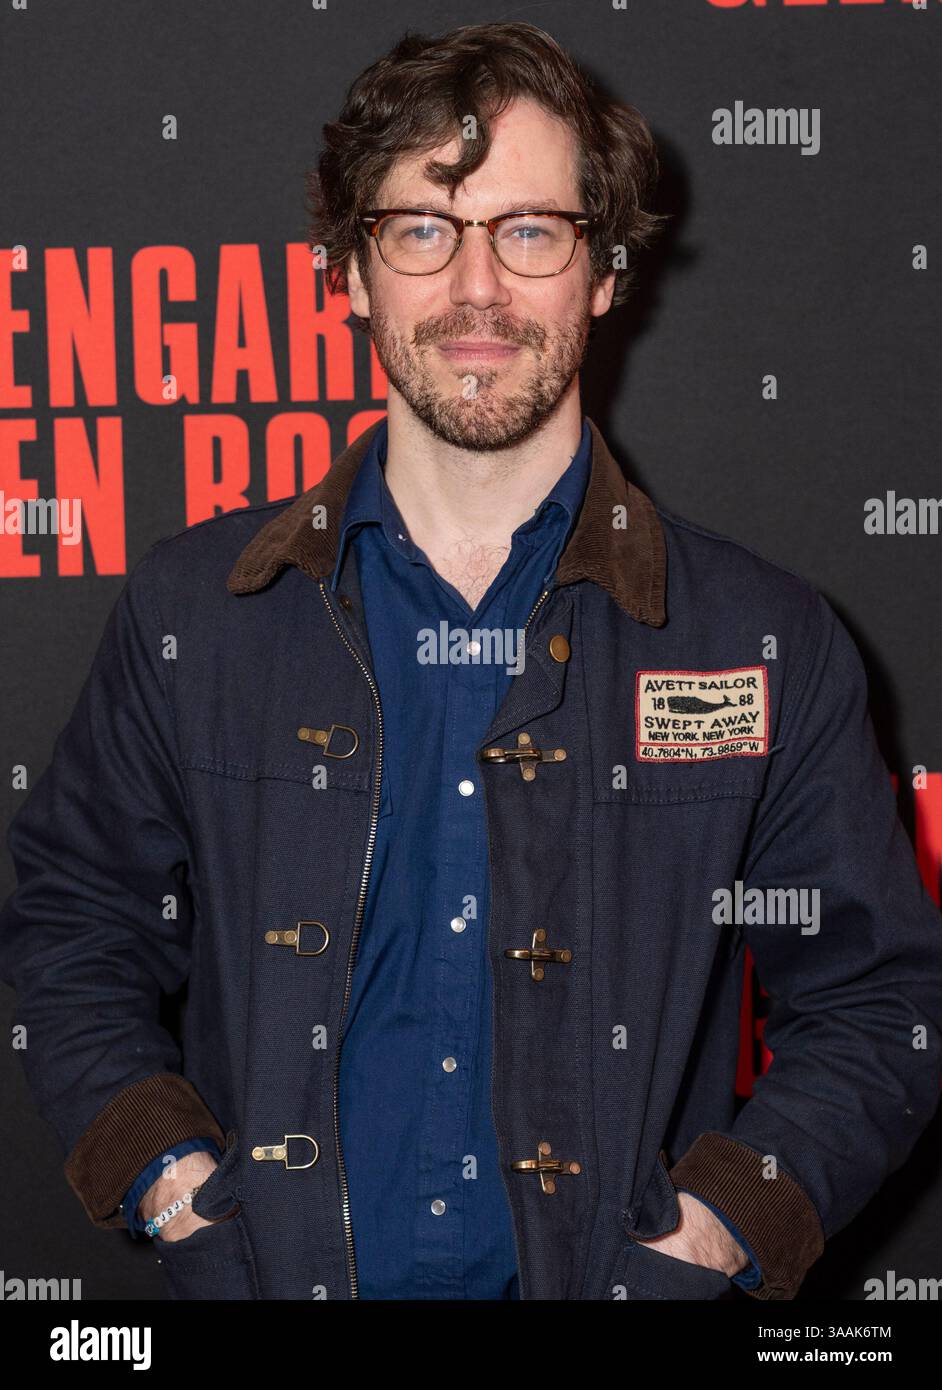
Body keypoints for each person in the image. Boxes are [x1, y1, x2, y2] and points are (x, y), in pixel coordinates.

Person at [1, 20, 941, 1302]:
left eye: (531, 230)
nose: (478, 289)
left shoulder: (758, 638)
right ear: (352, 271)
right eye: (424, 229)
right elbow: (72, 925)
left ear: (604, 274)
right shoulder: (196, 612)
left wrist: (709, 1239)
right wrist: (177, 1192)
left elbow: (884, 1004)